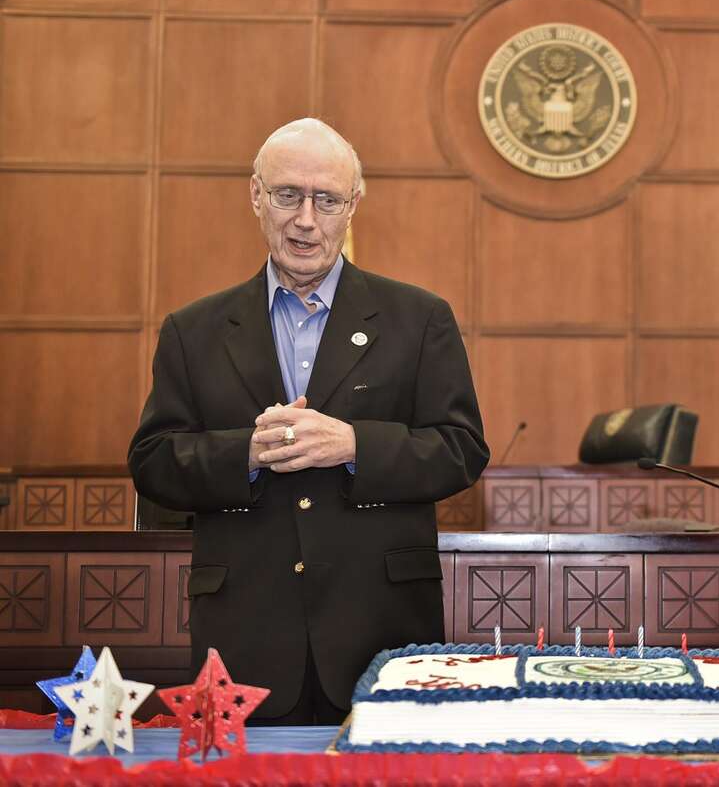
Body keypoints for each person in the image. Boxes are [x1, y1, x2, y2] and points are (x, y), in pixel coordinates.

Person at [128, 118, 489, 724]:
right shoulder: (193, 332)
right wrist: (247, 452)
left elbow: (461, 450)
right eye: (287, 195)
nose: (305, 219)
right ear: (255, 196)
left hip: (382, 631)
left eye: (326, 200)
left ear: (353, 206)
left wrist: (353, 444)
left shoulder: (419, 319)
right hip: (245, 634)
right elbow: (153, 462)